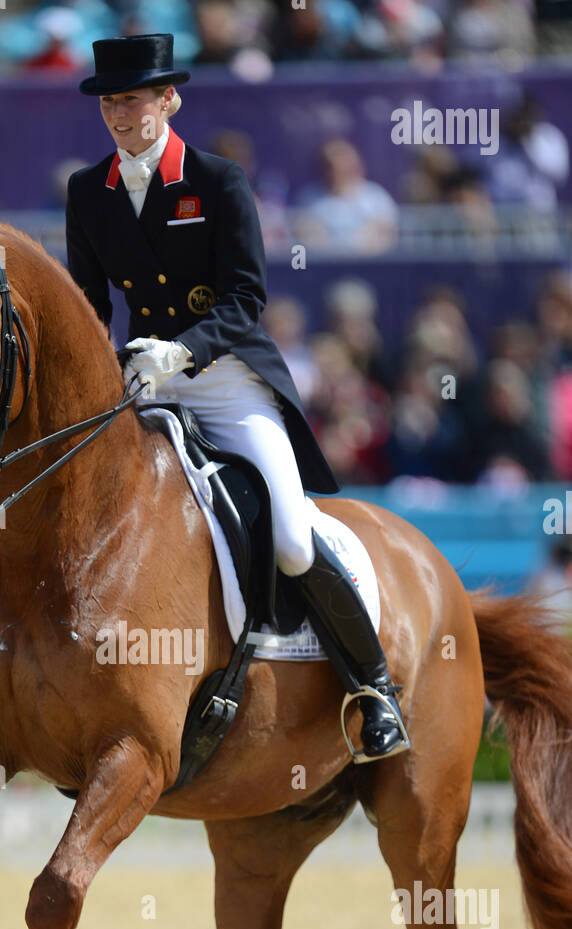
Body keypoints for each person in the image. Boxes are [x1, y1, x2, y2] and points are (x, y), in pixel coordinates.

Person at [65, 32, 409, 761]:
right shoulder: (86, 192)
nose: (121, 115)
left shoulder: (217, 181)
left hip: (223, 380)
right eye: (109, 104)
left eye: (133, 100)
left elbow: (246, 297)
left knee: (287, 534)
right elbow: (90, 305)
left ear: (169, 99)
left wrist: (183, 350)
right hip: (142, 384)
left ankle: (373, 688)